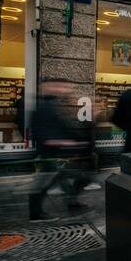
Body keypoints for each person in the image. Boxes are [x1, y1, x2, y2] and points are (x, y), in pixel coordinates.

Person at [29, 80, 95, 221]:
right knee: (44, 184)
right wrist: (66, 142)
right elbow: (43, 133)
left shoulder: (52, 105)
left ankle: (71, 202)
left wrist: (76, 141)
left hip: (56, 153)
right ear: (46, 88)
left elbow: (62, 127)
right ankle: (36, 213)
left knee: (61, 179)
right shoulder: (43, 108)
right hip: (49, 153)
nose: (64, 89)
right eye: (59, 86)